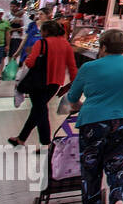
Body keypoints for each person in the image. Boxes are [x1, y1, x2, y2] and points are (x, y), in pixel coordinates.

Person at [65, 29, 123, 204]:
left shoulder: (89, 68)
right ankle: (118, 200)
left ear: (103, 47)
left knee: (91, 167)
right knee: (118, 163)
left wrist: (79, 106)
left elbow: (72, 97)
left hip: (94, 120)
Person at [8, 20, 77, 149]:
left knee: (39, 110)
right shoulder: (66, 45)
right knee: (40, 109)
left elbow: (31, 62)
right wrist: (73, 84)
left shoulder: (41, 43)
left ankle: (40, 141)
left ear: (46, 31)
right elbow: (72, 67)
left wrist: (22, 69)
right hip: (55, 83)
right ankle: (29, 139)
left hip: (37, 82)